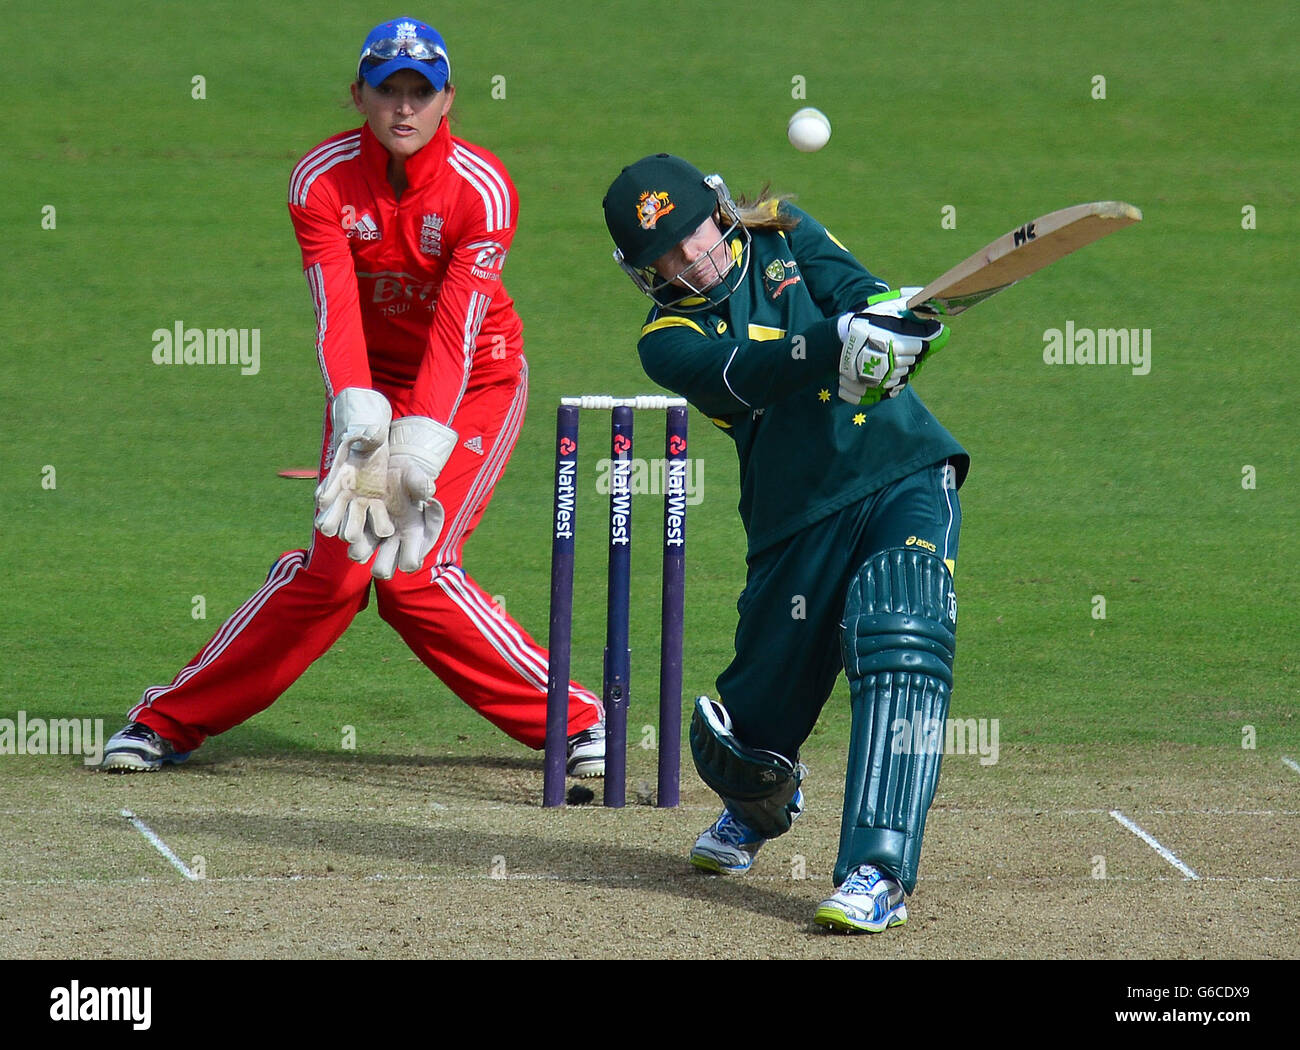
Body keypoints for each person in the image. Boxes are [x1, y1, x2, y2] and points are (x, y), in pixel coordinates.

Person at [100, 17, 604, 778]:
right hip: (370, 385)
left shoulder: (483, 191)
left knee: (410, 572)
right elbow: (335, 311)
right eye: (387, 90)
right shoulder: (323, 180)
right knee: (339, 571)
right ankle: (166, 719)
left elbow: (459, 329)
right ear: (359, 95)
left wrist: (423, 441)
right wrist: (362, 417)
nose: (403, 107)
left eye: (420, 92)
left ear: (446, 101)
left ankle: (577, 722)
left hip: (476, 381)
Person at [602, 154, 969, 933]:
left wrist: (900, 330)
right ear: (642, 271)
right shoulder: (668, 338)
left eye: (691, 232)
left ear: (717, 209)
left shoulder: (785, 231)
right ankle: (757, 803)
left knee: (899, 630)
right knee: (750, 731)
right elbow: (752, 372)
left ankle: (878, 872)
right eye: (661, 253)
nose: (688, 257)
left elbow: (864, 296)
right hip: (793, 514)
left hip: (900, 467)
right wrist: (843, 339)